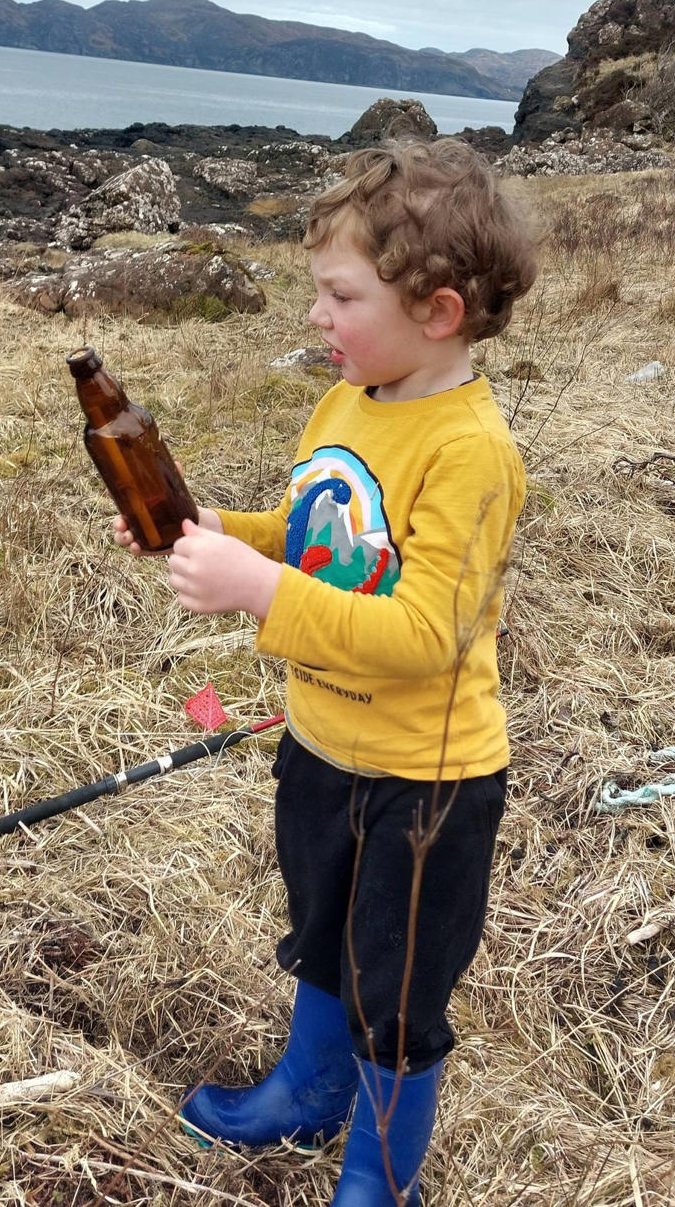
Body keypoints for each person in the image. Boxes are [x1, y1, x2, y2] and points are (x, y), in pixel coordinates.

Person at [114, 138, 536, 1205]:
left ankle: (378, 1178)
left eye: (341, 296)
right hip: (321, 747)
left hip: (425, 785)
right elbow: (313, 537)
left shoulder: (470, 452)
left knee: (394, 993)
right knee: (320, 936)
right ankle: (306, 1090)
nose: (317, 316)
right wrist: (223, 533)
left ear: (437, 311)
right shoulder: (351, 401)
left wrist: (258, 591)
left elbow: (424, 633)